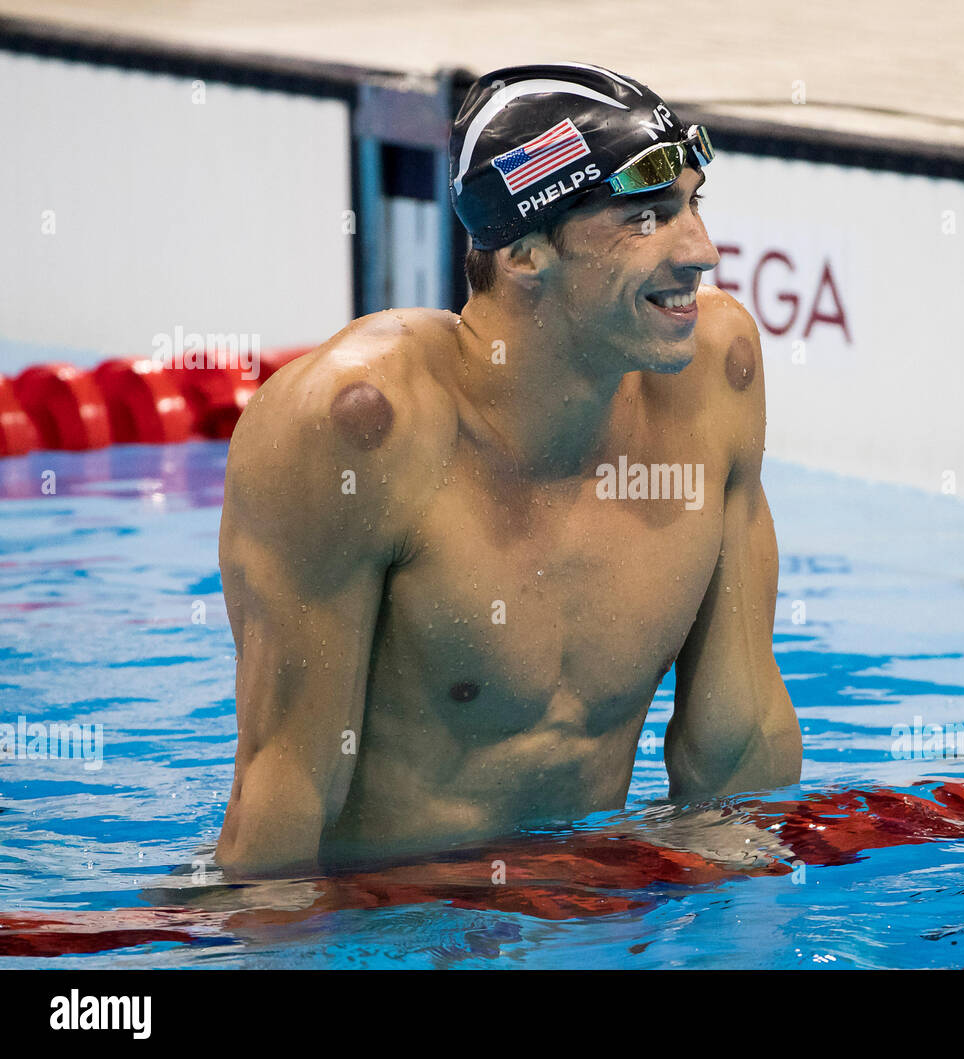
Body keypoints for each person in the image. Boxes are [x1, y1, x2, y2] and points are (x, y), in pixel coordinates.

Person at [214, 62, 803, 877]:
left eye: (694, 205)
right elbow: (280, 811)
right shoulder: (361, 427)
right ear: (525, 249)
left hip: (596, 904)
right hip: (391, 924)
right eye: (647, 217)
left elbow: (737, 749)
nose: (700, 251)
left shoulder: (712, 375)